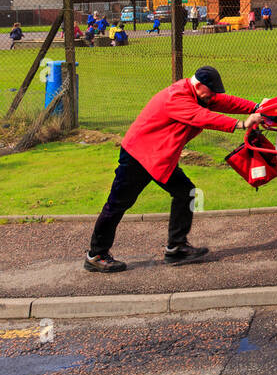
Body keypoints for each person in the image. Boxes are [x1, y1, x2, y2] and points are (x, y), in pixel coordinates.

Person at [84, 66, 264, 273]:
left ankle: (176, 247)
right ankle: (95, 255)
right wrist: (241, 124)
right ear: (198, 85)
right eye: (211, 92)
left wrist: (256, 107)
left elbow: (224, 101)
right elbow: (202, 117)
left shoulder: (199, 94)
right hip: (138, 155)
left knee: (186, 192)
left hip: (160, 157)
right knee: (117, 204)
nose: (213, 97)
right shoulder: (177, 98)